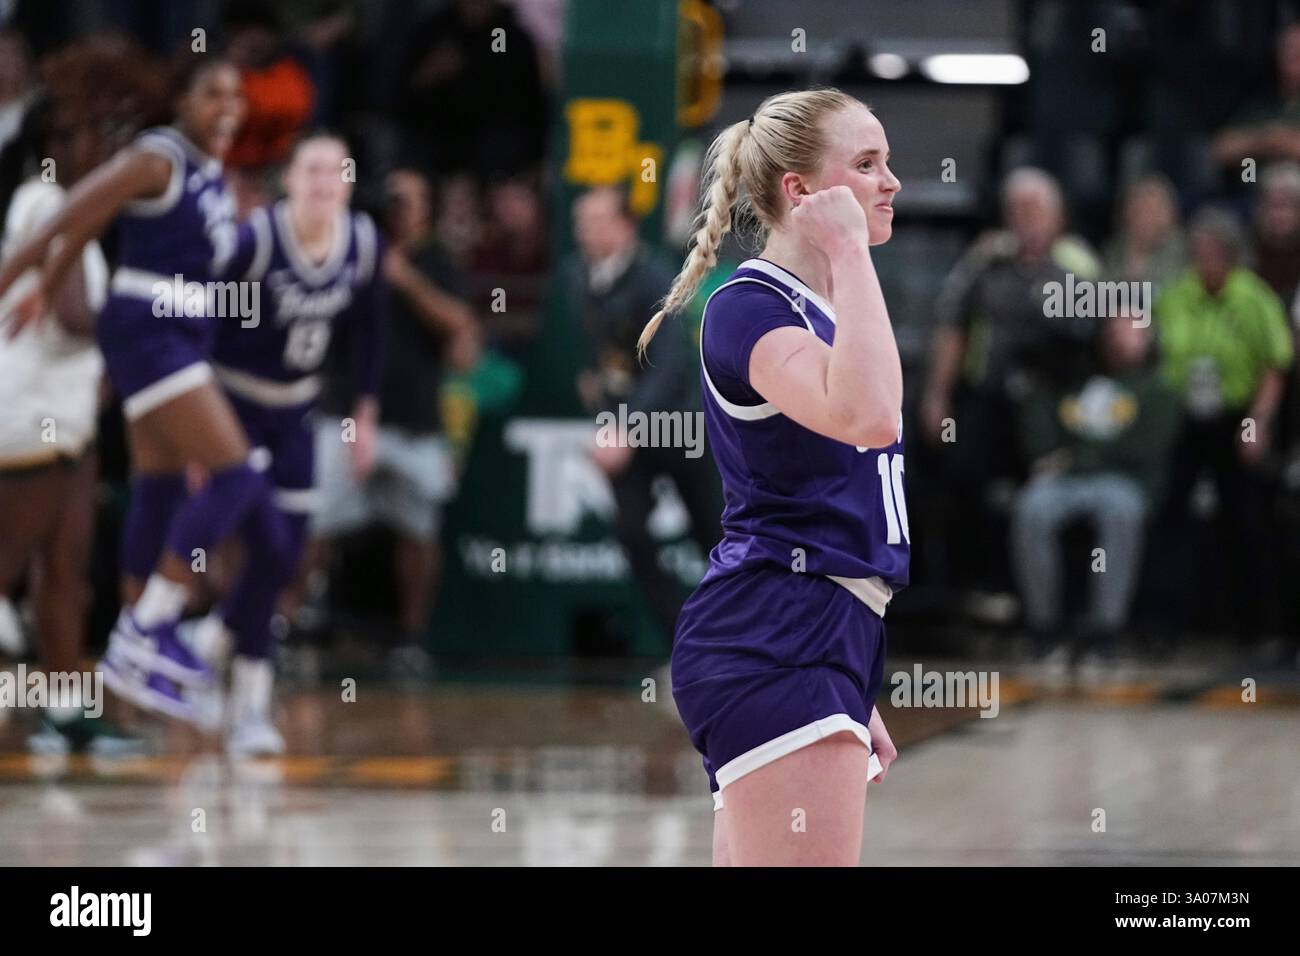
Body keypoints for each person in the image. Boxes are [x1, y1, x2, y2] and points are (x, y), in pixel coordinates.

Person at [641, 88, 904, 866]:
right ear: (801, 192)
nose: (891, 182)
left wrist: (853, 685)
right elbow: (870, 417)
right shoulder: (747, 308)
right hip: (776, 633)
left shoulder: (826, 309)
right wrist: (852, 251)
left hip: (824, 632)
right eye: (866, 164)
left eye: (888, 161)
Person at [0, 52, 290, 729]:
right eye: (212, 92)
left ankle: (132, 653)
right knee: (237, 476)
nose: (229, 105)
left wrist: (52, 277)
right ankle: (151, 625)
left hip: (180, 334)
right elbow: (69, 215)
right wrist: (32, 275)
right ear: (183, 102)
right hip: (149, 327)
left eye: (237, 96)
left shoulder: (211, 178)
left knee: (159, 490)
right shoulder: (158, 156)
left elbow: (84, 232)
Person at [204, 131, 387, 754]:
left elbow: (370, 330)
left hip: (297, 411)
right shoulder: (254, 239)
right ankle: (244, 695)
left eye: (335, 170)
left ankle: (221, 644)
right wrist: (196, 422)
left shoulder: (360, 242)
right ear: (289, 179)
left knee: (285, 554)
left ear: (348, 182)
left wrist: (364, 411)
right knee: (260, 543)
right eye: (310, 169)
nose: (322, 181)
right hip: (233, 405)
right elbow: (203, 321)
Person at [0, 93, 140, 753]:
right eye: (96, 132)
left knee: (68, 568)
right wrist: (156, 314)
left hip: (71, 416)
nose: (109, 147)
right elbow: (73, 313)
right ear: (57, 141)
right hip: (29, 417)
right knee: (7, 566)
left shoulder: (78, 209)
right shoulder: (41, 202)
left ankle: (61, 706)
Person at [309, 168, 477, 677]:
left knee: (419, 532)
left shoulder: (438, 263)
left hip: (415, 423)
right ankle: (290, 622)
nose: (403, 210)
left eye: (412, 200)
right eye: (394, 202)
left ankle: (411, 639)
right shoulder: (345, 252)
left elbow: (464, 339)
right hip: (345, 418)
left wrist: (405, 280)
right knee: (313, 524)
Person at [569, 186, 719, 647]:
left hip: (678, 426)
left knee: (713, 535)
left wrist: (626, 427)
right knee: (631, 532)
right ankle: (685, 646)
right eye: (582, 221)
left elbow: (671, 363)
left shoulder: (657, 275)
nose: (587, 231)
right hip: (627, 430)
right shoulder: (578, 275)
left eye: (598, 219)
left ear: (626, 225)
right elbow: (608, 351)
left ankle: (748, 644)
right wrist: (596, 384)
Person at [1153, 207, 1293, 641]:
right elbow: (1158, 356)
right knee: (1170, 514)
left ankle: (1257, 626)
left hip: (1239, 417)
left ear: (1232, 255)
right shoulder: (1177, 294)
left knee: (1246, 514)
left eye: (1214, 251)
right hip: (1186, 418)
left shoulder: (1254, 297)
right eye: (1199, 251)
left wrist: (1258, 422)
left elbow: (1276, 363)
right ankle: (1166, 624)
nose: (1206, 259)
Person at [1011, 312, 1180, 663]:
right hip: (1068, 482)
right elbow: (1041, 437)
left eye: (1132, 330)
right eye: (1115, 328)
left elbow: (1142, 449)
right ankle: (1043, 626)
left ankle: (1106, 629)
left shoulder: (1158, 391)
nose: (1120, 337)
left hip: (1123, 483)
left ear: (1149, 339)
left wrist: (1076, 456)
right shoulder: (1076, 381)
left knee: (1120, 511)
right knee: (1032, 508)